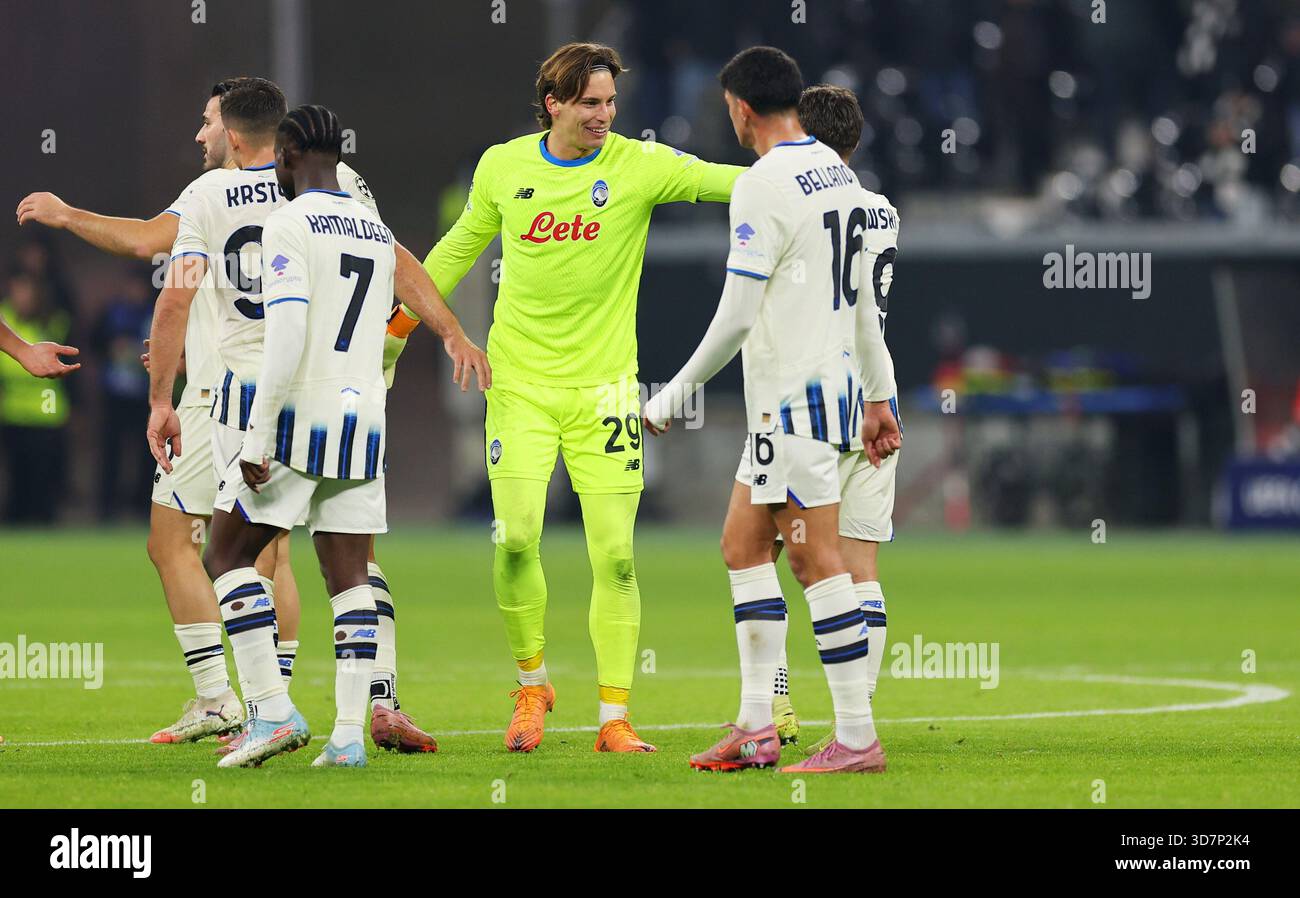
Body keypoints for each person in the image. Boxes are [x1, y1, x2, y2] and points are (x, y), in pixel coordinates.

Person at [388, 41, 745, 753]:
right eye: (590, 103)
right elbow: (458, 249)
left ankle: (614, 721)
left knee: (614, 557)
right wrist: (397, 330)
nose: (604, 116)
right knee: (517, 538)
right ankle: (532, 684)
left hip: (608, 392)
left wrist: (811, 174)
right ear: (553, 103)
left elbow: (726, 182)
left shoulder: (639, 167)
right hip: (518, 386)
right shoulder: (504, 166)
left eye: (610, 103)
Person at [643, 47, 900, 774]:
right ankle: (756, 726)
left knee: (820, 561)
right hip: (825, 396)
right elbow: (863, 313)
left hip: (795, 401)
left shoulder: (764, 184)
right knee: (742, 546)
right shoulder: (840, 175)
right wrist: (878, 397)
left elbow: (733, 316)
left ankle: (856, 738)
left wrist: (672, 395)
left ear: (740, 109)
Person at [203, 104, 397, 768]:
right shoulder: (374, 228)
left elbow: (285, 335)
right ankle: (347, 737)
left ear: (286, 156)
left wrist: (257, 436)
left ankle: (273, 711)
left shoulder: (286, 222)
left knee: (224, 555)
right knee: (349, 577)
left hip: (299, 419)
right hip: (362, 420)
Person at [764, 84, 901, 750]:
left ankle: (775, 703)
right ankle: (857, 718)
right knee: (858, 564)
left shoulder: (800, 205)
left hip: (809, 394)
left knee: (771, 552)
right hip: (875, 397)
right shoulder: (882, 209)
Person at [0, 274, 75, 523]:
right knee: (16, 477)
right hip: (13, 412)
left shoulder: (55, 321)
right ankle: (15, 522)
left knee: (43, 479)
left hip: (48, 413)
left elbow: (74, 367)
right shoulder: (6, 317)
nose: (23, 296)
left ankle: (45, 524)